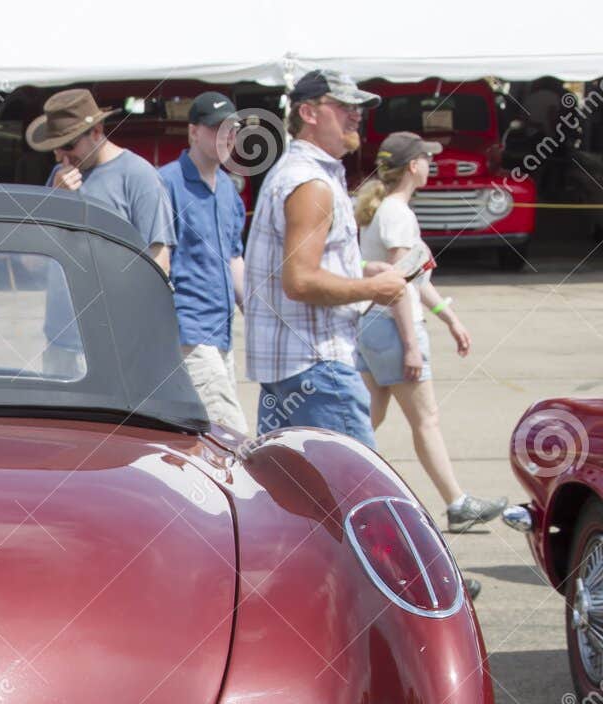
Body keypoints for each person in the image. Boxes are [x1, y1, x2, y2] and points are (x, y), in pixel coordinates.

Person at [243, 69, 408, 447]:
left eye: (358, 107)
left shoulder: (302, 173)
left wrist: (363, 268)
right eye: (344, 106)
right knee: (357, 496)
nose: (356, 115)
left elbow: (297, 264)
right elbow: (299, 280)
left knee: (294, 497)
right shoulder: (310, 182)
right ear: (308, 113)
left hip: (294, 368)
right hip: (317, 368)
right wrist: (372, 287)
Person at [354, 131, 506, 531]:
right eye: (427, 158)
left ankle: (334, 487)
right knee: (426, 420)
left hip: (371, 325)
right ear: (412, 167)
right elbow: (400, 284)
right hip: (392, 327)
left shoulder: (382, 210)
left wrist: (449, 318)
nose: (432, 164)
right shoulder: (398, 215)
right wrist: (411, 345)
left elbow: (415, 280)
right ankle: (457, 504)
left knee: (367, 417)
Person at [158, 92, 249, 434]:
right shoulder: (166, 183)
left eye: (232, 129)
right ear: (193, 132)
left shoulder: (227, 188)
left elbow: (233, 257)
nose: (227, 136)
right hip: (189, 329)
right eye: (216, 129)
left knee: (208, 433)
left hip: (221, 332)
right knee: (231, 432)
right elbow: (156, 260)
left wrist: (255, 307)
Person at [30, 88, 173, 272]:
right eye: (54, 148)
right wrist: (56, 201)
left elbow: (159, 259)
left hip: (116, 298)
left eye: (67, 146)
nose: (60, 157)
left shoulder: (139, 175)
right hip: (65, 298)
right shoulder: (59, 178)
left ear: (96, 131)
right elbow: (34, 261)